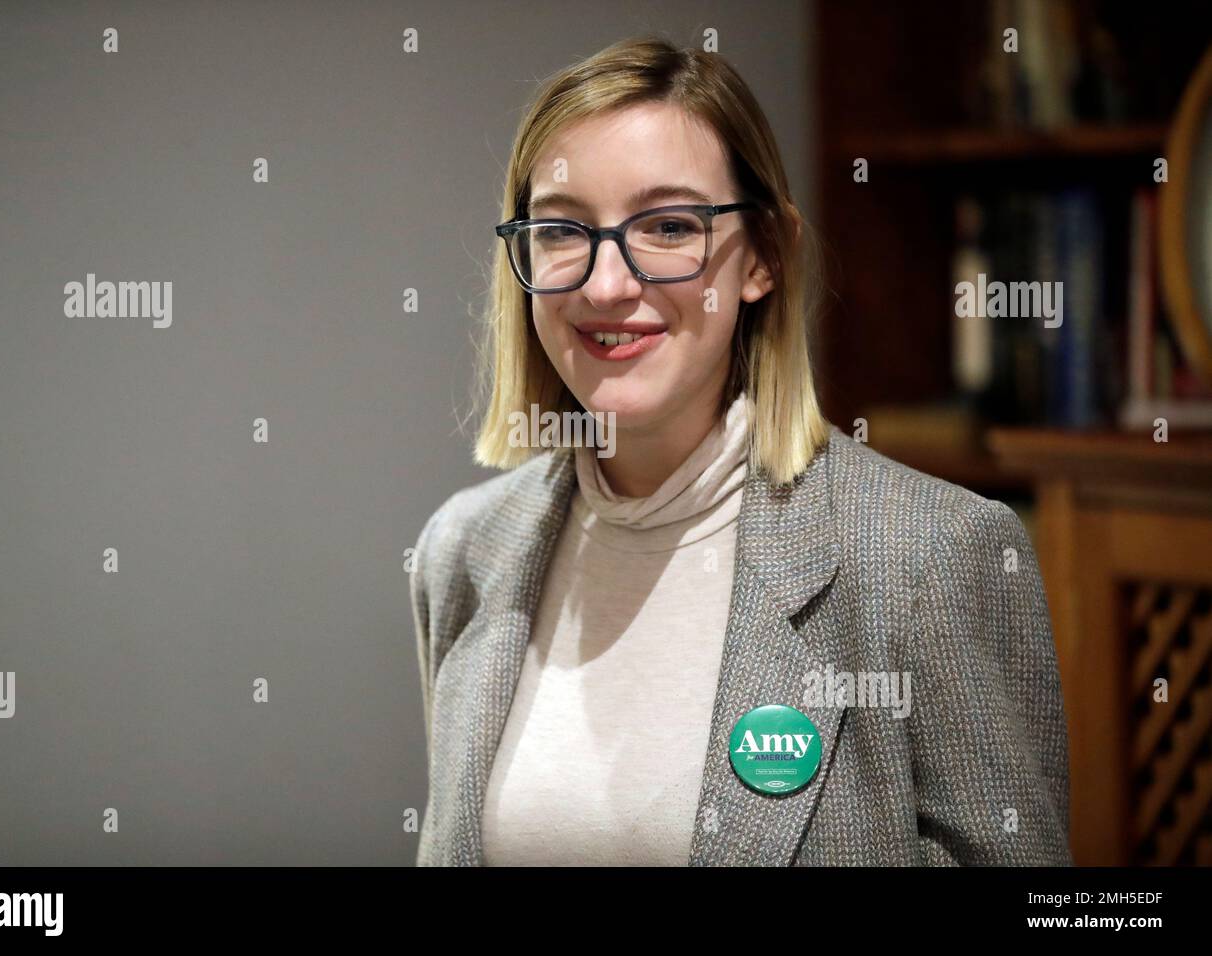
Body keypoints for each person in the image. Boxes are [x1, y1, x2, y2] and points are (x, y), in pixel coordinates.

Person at [409, 35, 1071, 866]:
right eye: (561, 232)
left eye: (669, 225)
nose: (607, 285)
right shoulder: (465, 552)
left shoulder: (929, 555)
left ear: (763, 254)